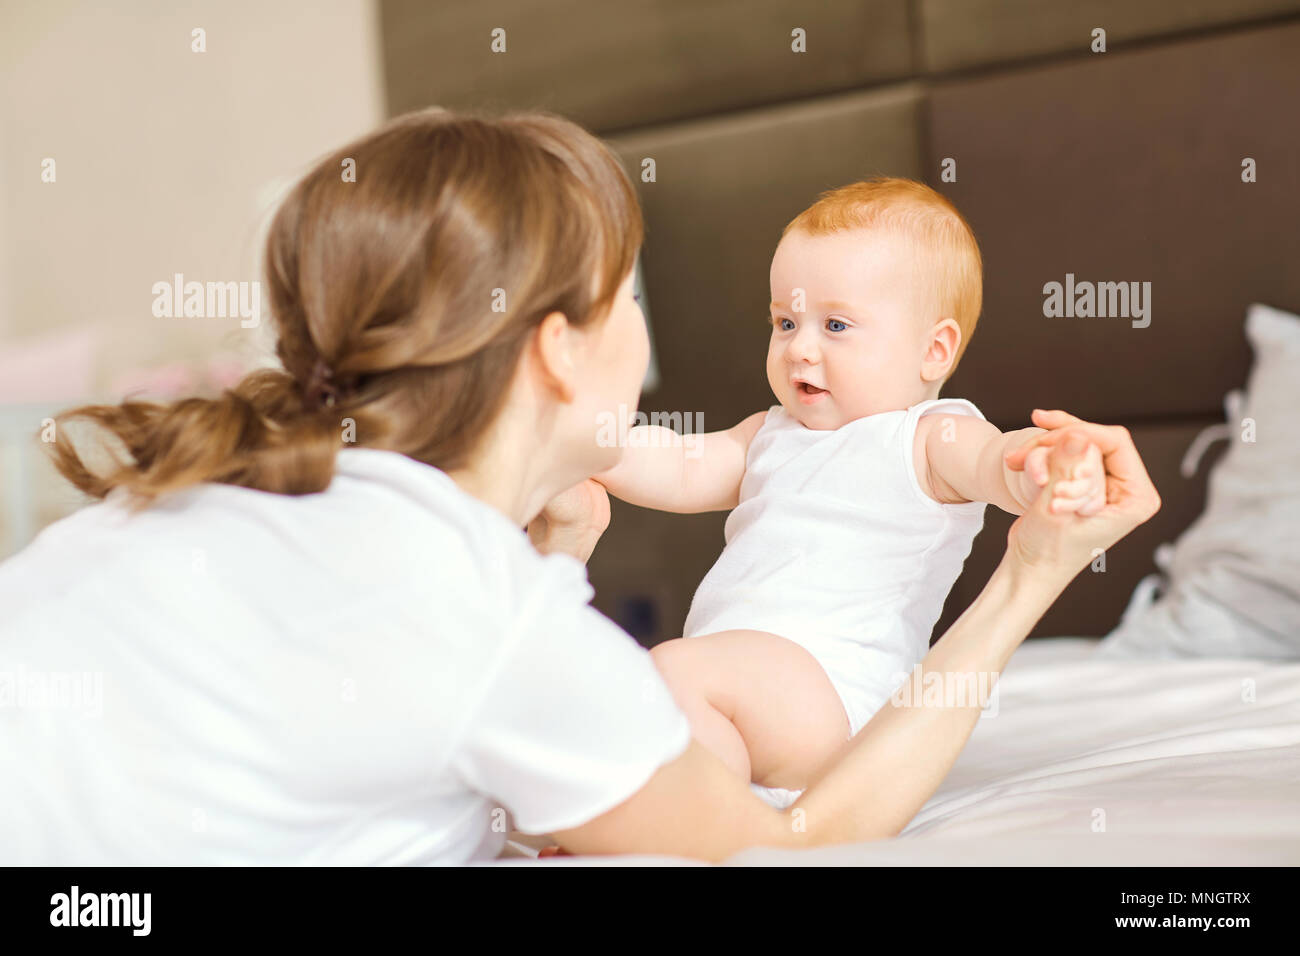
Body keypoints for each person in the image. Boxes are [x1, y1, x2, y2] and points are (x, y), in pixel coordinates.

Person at [0, 107, 1160, 864]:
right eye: (627, 297)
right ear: (560, 350)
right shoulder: (488, 616)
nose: (795, 346)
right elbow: (799, 839)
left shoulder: (171, 510)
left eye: (835, 323)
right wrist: (1029, 578)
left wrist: (549, 547)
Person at [593, 177, 1108, 810]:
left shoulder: (928, 436)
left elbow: (995, 462)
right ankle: (644, 818)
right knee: (627, 697)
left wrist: (1044, 465)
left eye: (835, 325)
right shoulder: (771, 433)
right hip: (744, 695)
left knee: (673, 671)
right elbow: (679, 465)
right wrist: (592, 441)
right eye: (785, 322)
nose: (799, 348)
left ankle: (693, 821)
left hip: (838, 702)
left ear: (934, 350)